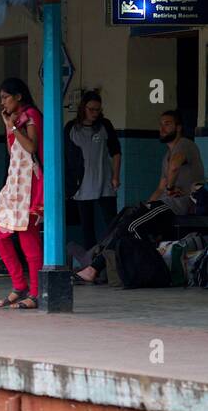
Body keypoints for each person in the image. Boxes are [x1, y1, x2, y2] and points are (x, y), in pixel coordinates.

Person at [74, 109, 205, 284]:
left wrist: (170, 187)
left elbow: (174, 167)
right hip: (163, 205)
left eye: (167, 124)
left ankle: (102, 268)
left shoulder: (185, 144)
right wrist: (146, 205)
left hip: (179, 205)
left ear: (179, 127)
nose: (162, 128)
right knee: (126, 218)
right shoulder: (166, 155)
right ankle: (95, 266)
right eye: (161, 124)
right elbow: (160, 187)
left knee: (131, 227)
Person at [0, 78, 44, 309]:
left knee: (27, 235)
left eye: (5, 97)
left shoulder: (31, 115)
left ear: (18, 96)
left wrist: (13, 127)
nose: (2, 102)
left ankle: (35, 292)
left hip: (30, 185)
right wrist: (8, 125)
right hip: (14, 185)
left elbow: (31, 147)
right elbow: (12, 150)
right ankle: (19, 284)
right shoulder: (15, 119)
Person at [65, 90, 122, 251]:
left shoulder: (105, 125)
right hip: (81, 184)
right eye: (91, 109)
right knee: (87, 226)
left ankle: (114, 254)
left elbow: (116, 151)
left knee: (112, 222)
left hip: (104, 181)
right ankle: (90, 259)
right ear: (83, 108)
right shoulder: (72, 128)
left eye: (98, 110)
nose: (95, 113)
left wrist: (116, 176)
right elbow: (65, 158)